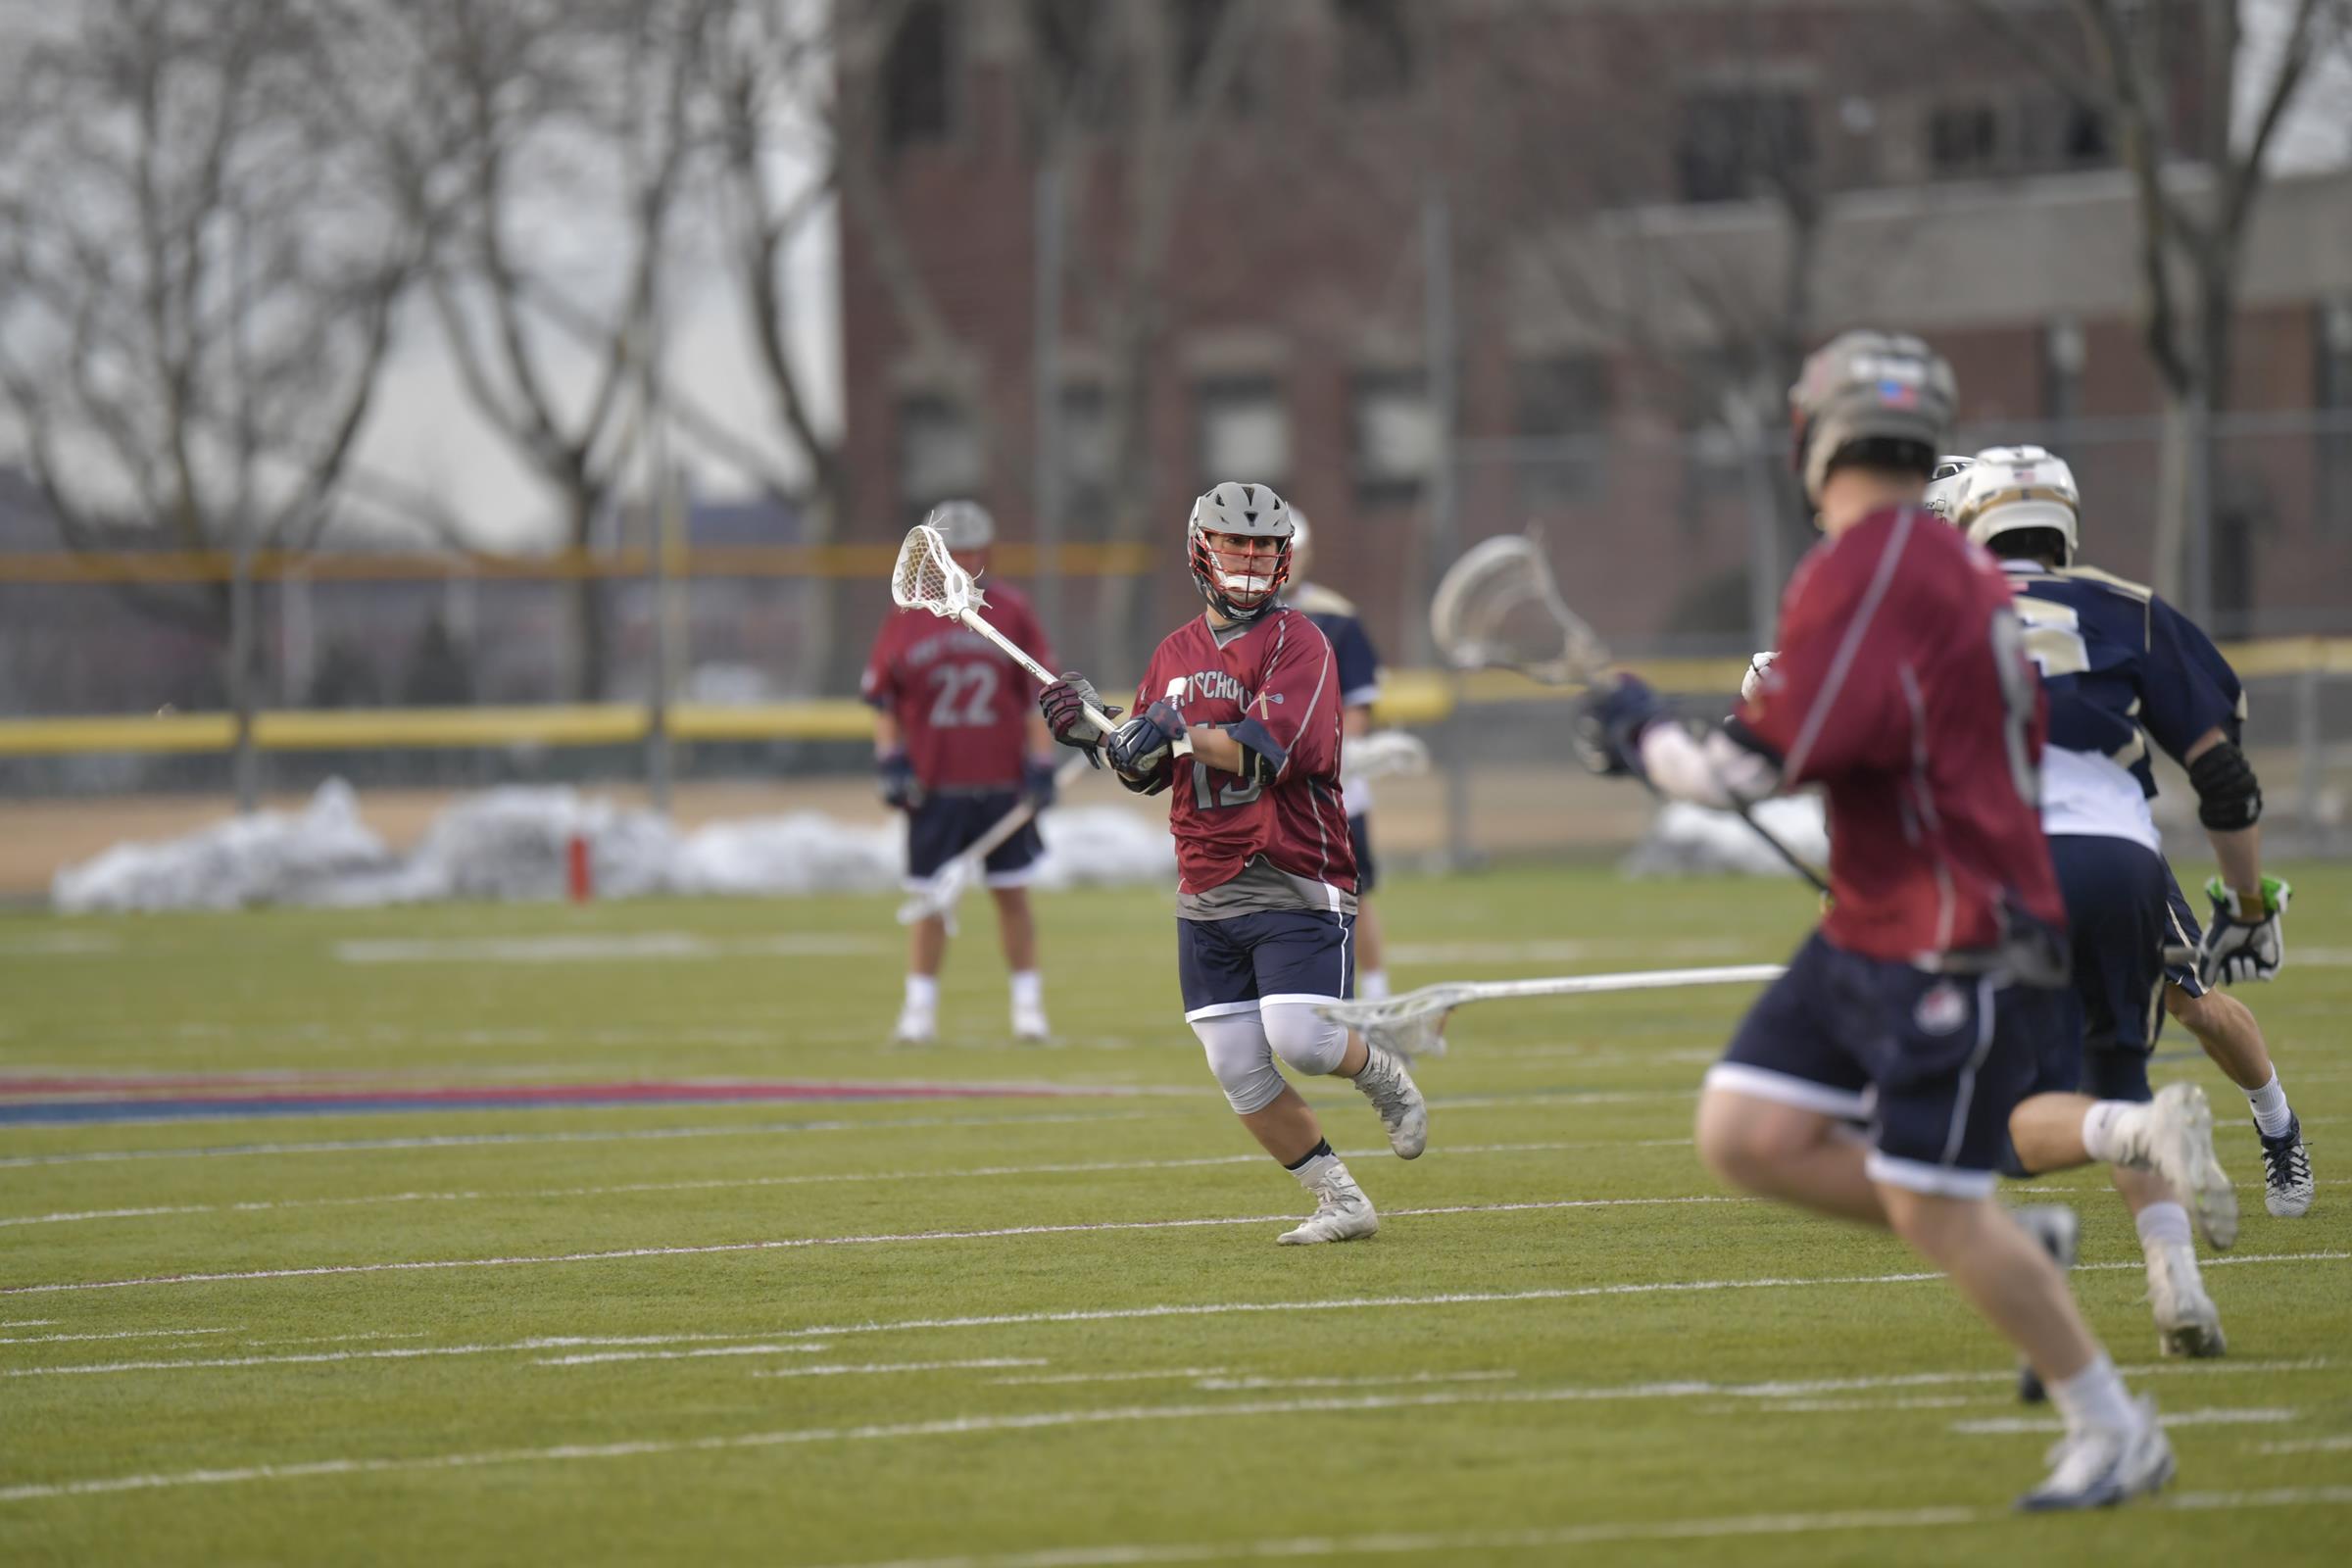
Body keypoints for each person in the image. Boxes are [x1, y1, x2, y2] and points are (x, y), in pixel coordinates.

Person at [1579, 330, 2175, 1509]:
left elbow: (1743, 773)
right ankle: (2019, 1246)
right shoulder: (1944, 563)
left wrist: (1641, 734)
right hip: (1879, 915)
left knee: (1929, 1199)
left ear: (1813, 439)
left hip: (1952, 928)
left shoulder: (1871, 566)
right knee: (1746, 1131)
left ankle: (2116, 1429)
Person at [1036, 481, 1427, 1245]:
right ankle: (1341, 1201)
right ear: (1201, 548)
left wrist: (1170, 728)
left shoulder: (1301, 643)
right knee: (1237, 1067)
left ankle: (1381, 1073)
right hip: (1205, 878)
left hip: (1292, 869)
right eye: (1234, 542)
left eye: (1262, 545)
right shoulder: (1172, 654)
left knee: (1302, 1040)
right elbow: (1148, 772)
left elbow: (1263, 752)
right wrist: (1096, 737)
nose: (1248, 558)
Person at [1933, 447, 2310, 1237]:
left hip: (2062, 837)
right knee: (2094, 1067)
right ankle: (2165, 1229)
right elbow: (2225, 775)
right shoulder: (2109, 605)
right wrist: (2248, 904)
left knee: (2190, 1004)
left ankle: (2277, 1125)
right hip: (2089, 852)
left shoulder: (1933, 614)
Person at [861, 500, 1061, 1045]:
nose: (968, 561)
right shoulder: (907, 616)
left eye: (975, 551)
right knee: (929, 900)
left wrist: (1041, 765)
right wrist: (890, 762)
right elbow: (884, 699)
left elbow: (1035, 697)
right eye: (957, 552)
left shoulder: (1010, 610)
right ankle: (918, 1012)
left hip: (1001, 783)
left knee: (1012, 893)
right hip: (935, 785)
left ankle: (1028, 1008)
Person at [1282, 511, 1393, 1001]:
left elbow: (1358, 705)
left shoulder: (1334, 616)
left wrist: (1322, 756)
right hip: (1264, 781)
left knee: (1353, 890)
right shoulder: (1230, 621)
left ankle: (1376, 993)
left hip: (1332, 780)